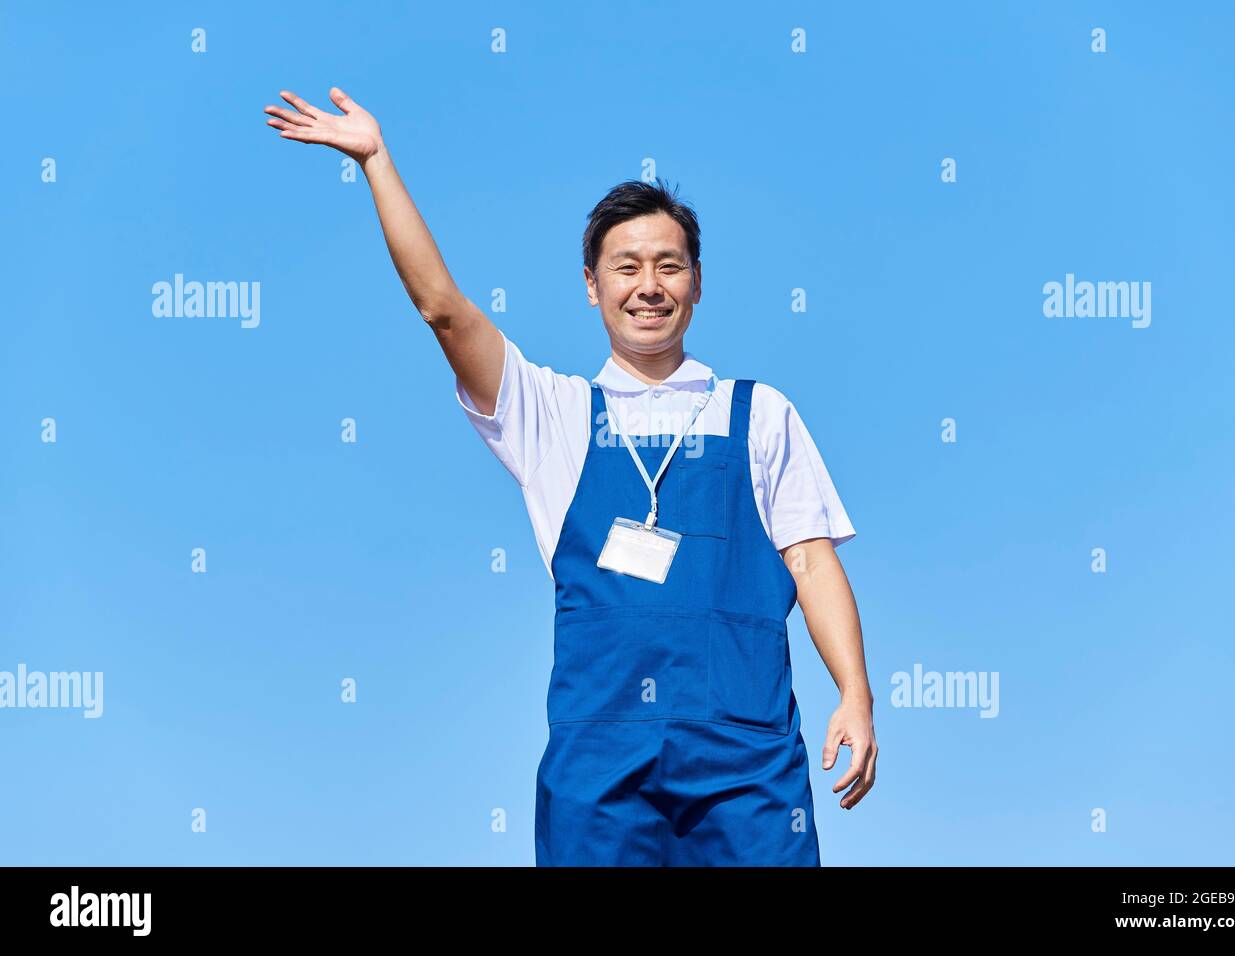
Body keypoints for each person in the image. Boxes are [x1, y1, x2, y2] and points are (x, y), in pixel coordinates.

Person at [264, 87, 879, 866]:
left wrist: (854, 693)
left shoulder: (761, 414)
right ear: (592, 285)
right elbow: (443, 310)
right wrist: (377, 162)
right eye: (626, 268)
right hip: (600, 775)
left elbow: (811, 559)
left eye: (668, 266)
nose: (647, 286)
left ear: (696, 282)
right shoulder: (549, 415)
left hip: (745, 764)